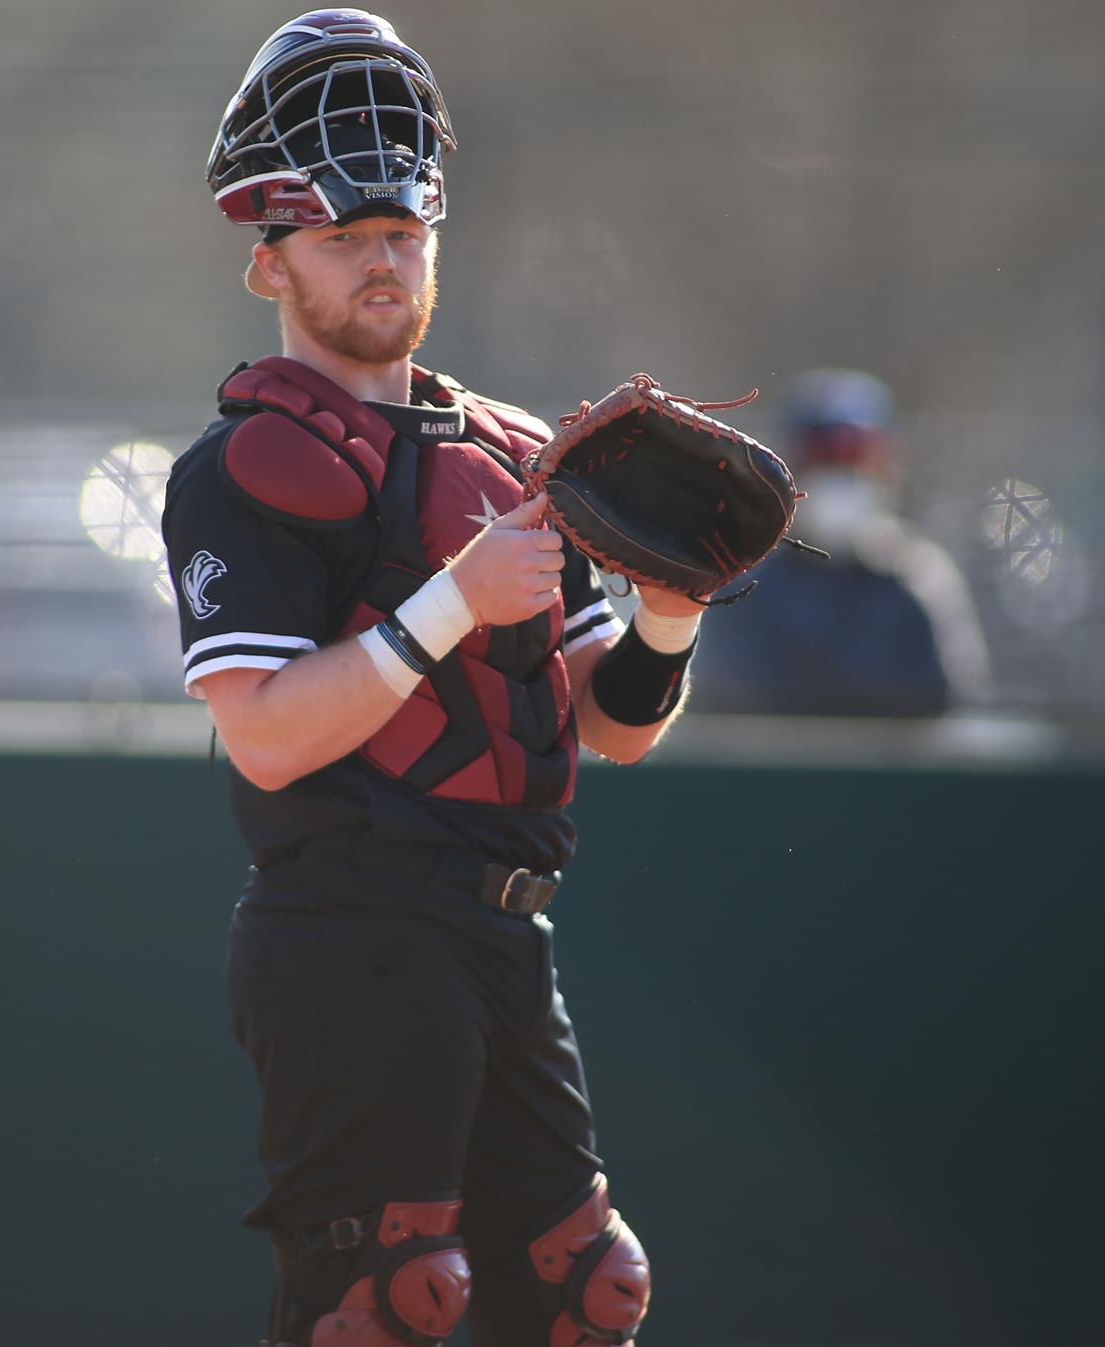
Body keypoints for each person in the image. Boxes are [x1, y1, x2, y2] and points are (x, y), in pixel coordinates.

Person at [161, 12, 704, 1345]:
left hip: (507, 927)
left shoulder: (513, 452)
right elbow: (269, 738)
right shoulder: (245, 465)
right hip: (349, 921)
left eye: (403, 235)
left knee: (591, 1290)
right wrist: (455, 599)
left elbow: (601, 726)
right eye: (346, 239)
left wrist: (672, 619)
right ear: (270, 263)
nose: (385, 261)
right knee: (389, 1303)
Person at [691, 368, 992, 716]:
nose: (842, 479)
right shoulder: (743, 586)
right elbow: (720, 717)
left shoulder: (917, 580)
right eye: (824, 461)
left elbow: (953, 706)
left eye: (856, 460)